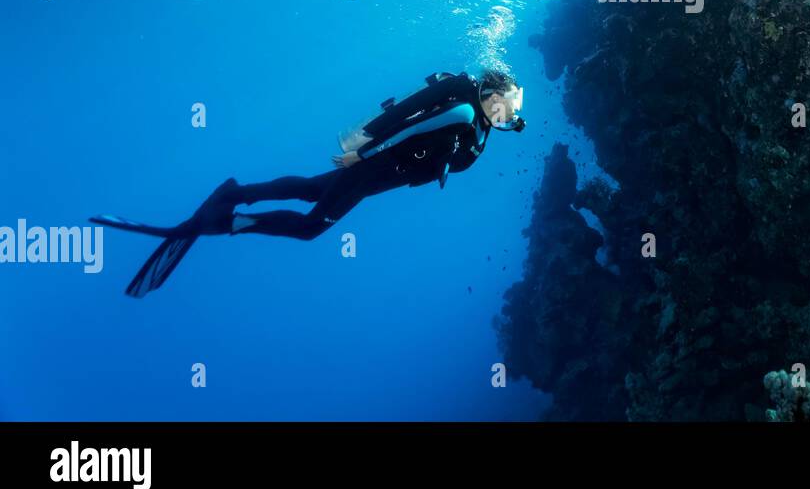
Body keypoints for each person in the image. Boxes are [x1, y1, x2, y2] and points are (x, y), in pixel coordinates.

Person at [91, 70, 524, 297]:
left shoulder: (481, 128)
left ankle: (234, 194)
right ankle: (233, 219)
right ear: (491, 93)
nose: (506, 115)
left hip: (379, 177)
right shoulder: (466, 114)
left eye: (510, 112)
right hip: (373, 168)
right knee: (310, 228)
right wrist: (363, 152)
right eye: (504, 105)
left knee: (310, 190)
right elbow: (411, 129)